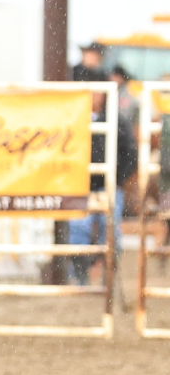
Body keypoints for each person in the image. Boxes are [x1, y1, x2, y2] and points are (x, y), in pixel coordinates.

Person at [68, 67, 137, 285]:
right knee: (79, 230)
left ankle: (108, 275)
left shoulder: (116, 119)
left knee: (110, 232)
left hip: (107, 185)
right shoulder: (74, 119)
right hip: (81, 185)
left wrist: (118, 178)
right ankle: (82, 275)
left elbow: (130, 153)